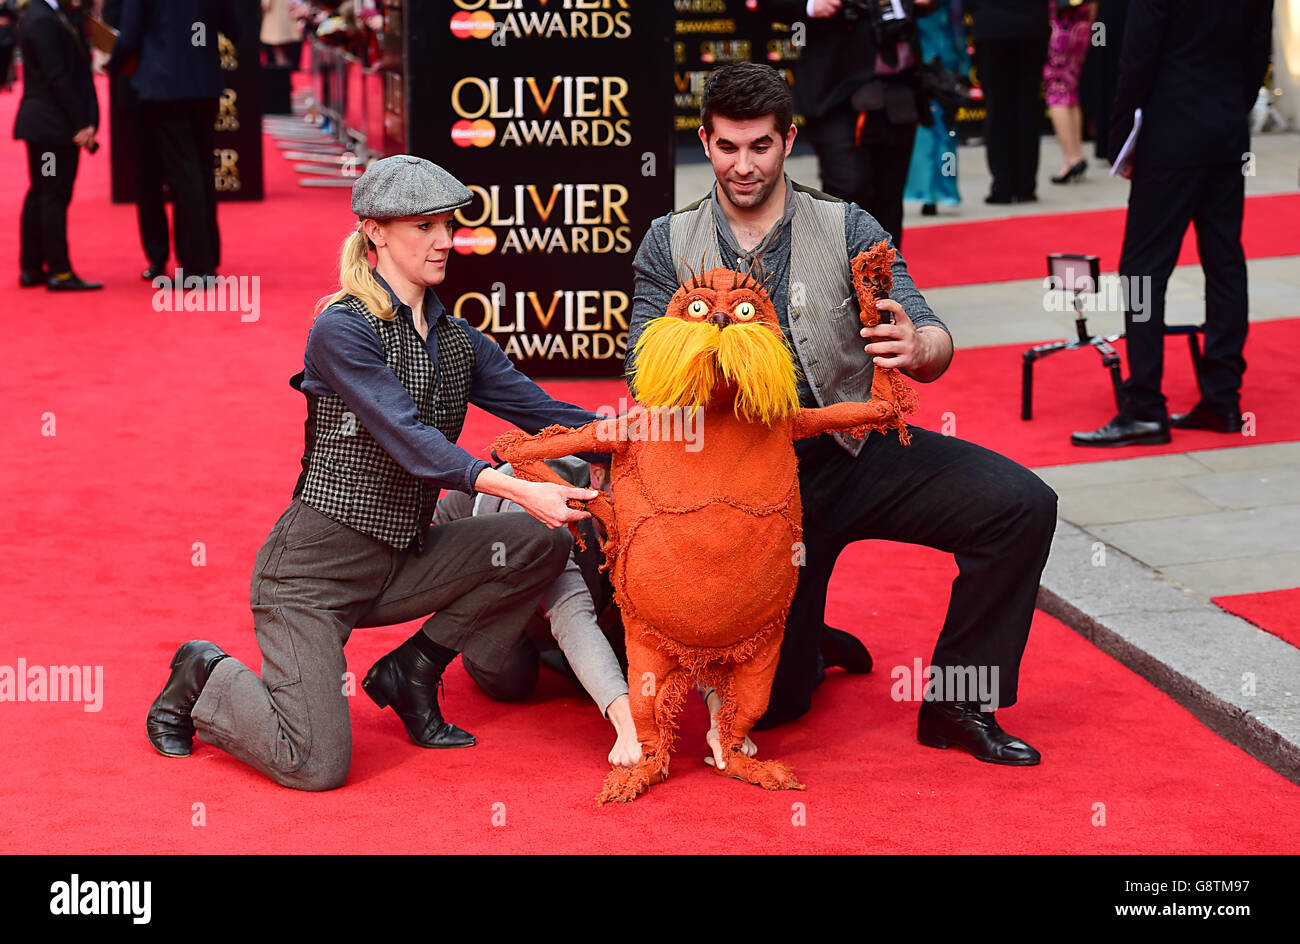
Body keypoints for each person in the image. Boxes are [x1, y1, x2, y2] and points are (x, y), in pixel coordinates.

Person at [628, 62, 1058, 765]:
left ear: (789, 140)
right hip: (743, 486)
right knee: (786, 701)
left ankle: (957, 700)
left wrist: (919, 344)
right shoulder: (668, 242)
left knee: (1019, 504)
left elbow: (930, 331)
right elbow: (638, 369)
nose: (744, 165)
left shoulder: (848, 223)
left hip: (853, 450)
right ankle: (810, 644)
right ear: (704, 142)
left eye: (760, 146)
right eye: (728, 147)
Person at [144, 155, 605, 791]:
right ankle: (204, 676)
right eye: (424, 225)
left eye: (447, 223)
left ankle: (414, 669)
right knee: (317, 766)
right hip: (311, 577)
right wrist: (519, 486)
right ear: (375, 232)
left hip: (403, 559)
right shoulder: (341, 329)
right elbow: (411, 443)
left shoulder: (456, 340)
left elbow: (546, 412)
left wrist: (640, 434)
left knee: (540, 542)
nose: (445, 239)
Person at [1071, 0, 1274, 446]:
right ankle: (1223, 399)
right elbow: (1258, 53)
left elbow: (1137, 56)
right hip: (1225, 130)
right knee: (1224, 261)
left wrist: (1121, 137)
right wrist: (1229, 111)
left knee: (1143, 269)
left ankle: (1144, 406)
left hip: (1170, 132)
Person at [750, 0, 932, 249]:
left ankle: (885, 281)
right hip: (835, 90)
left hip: (899, 88)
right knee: (849, 185)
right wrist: (810, 5)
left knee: (889, 195)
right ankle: (835, 277)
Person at [108, 0, 239, 278]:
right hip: (204, 85)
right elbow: (235, 28)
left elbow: (129, 36)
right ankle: (205, 259)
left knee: (162, 173)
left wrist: (113, 62)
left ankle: (188, 264)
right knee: (200, 171)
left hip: (160, 87)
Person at [14, 0, 101, 291]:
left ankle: (32, 267)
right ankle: (59, 271)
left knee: (41, 192)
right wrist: (81, 123)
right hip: (51, 127)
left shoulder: (47, 15)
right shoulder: (43, 19)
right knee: (52, 193)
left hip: (46, 123)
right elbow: (57, 76)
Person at [967, 0, 1049, 203]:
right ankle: (1025, 186)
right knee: (1028, 106)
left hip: (992, 27)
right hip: (1030, 26)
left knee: (998, 108)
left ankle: (1002, 186)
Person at [903, 0, 969, 215]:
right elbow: (956, 25)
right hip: (931, 61)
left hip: (927, 62)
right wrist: (963, 66)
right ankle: (937, 192)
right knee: (940, 132)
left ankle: (932, 192)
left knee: (933, 131)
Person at [1044, 1, 1096, 185]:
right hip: (1082, 27)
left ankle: (1072, 157)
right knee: (1070, 91)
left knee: (1057, 91)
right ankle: (1076, 156)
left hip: (1060, 29)